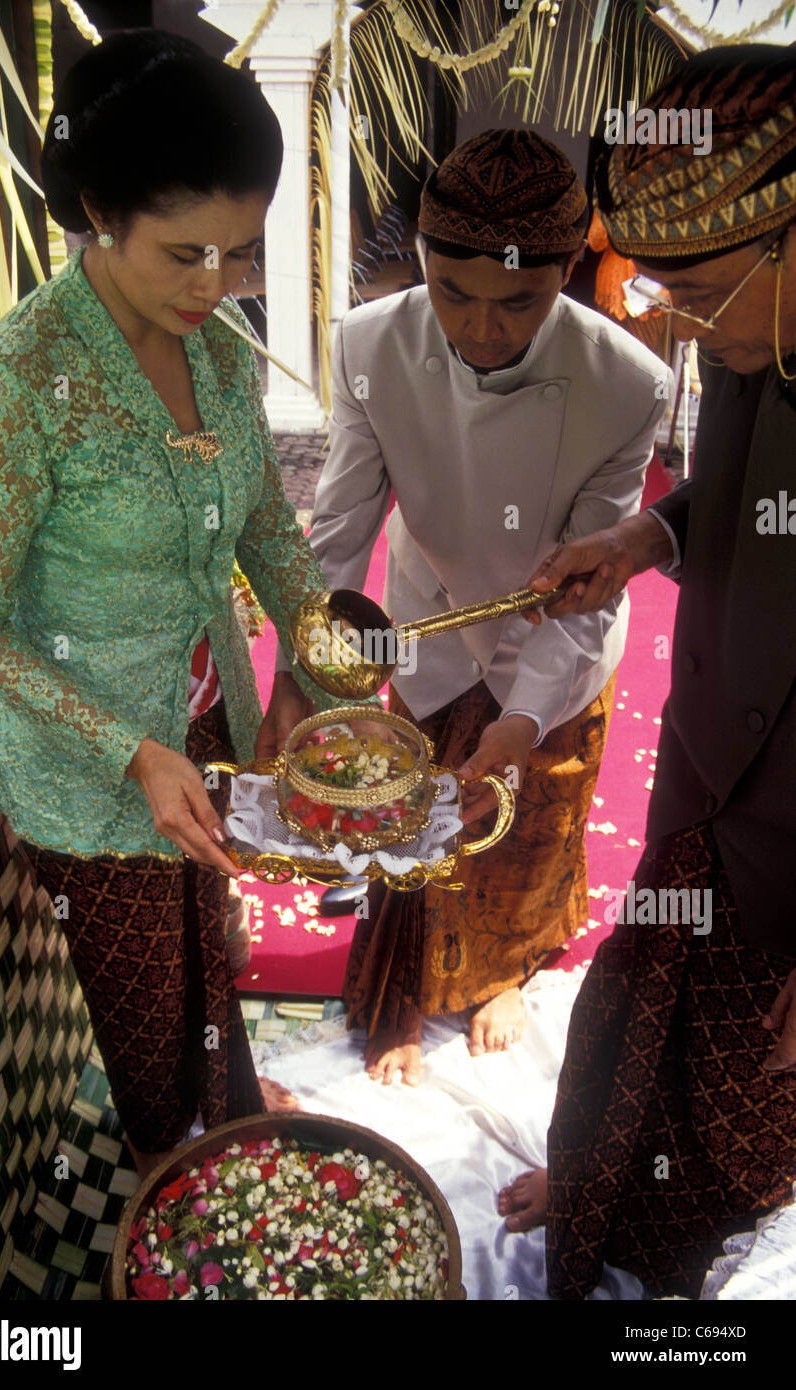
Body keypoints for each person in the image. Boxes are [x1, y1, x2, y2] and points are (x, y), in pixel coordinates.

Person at [0, 31, 340, 1180]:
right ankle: (176, 1170)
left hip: (206, 709)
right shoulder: (14, 387)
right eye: (184, 253)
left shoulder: (215, 356)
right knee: (147, 1010)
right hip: (83, 771)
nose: (215, 287)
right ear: (100, 211)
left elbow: (266, 532)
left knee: (211, 936)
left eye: (239, 254)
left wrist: (323, 670)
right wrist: (130, 754)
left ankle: (229, 1102)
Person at [497, 45, 796, 1300]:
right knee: (633, 1003)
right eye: (654, 288)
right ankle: (596, 1181)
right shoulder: (751, 349)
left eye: (700, 290)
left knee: (745, 1081)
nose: (671, 321)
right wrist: (639, 537)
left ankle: (665, 1255)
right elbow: (726, 497)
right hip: (702, 769)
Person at [280, 129, 671, 1084]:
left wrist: (527, 717)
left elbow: (590, 587)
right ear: (420, 257)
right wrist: (298, 673)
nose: (483, 329)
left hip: (555, 644)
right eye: (453, 293)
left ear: (568, 267)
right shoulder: (371, 344)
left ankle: (510, 969)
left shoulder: (627, 383)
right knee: (414, 821)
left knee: (533, 821)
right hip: (430, 614)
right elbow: (338, 532)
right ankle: (403, 990)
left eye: (518, 303)